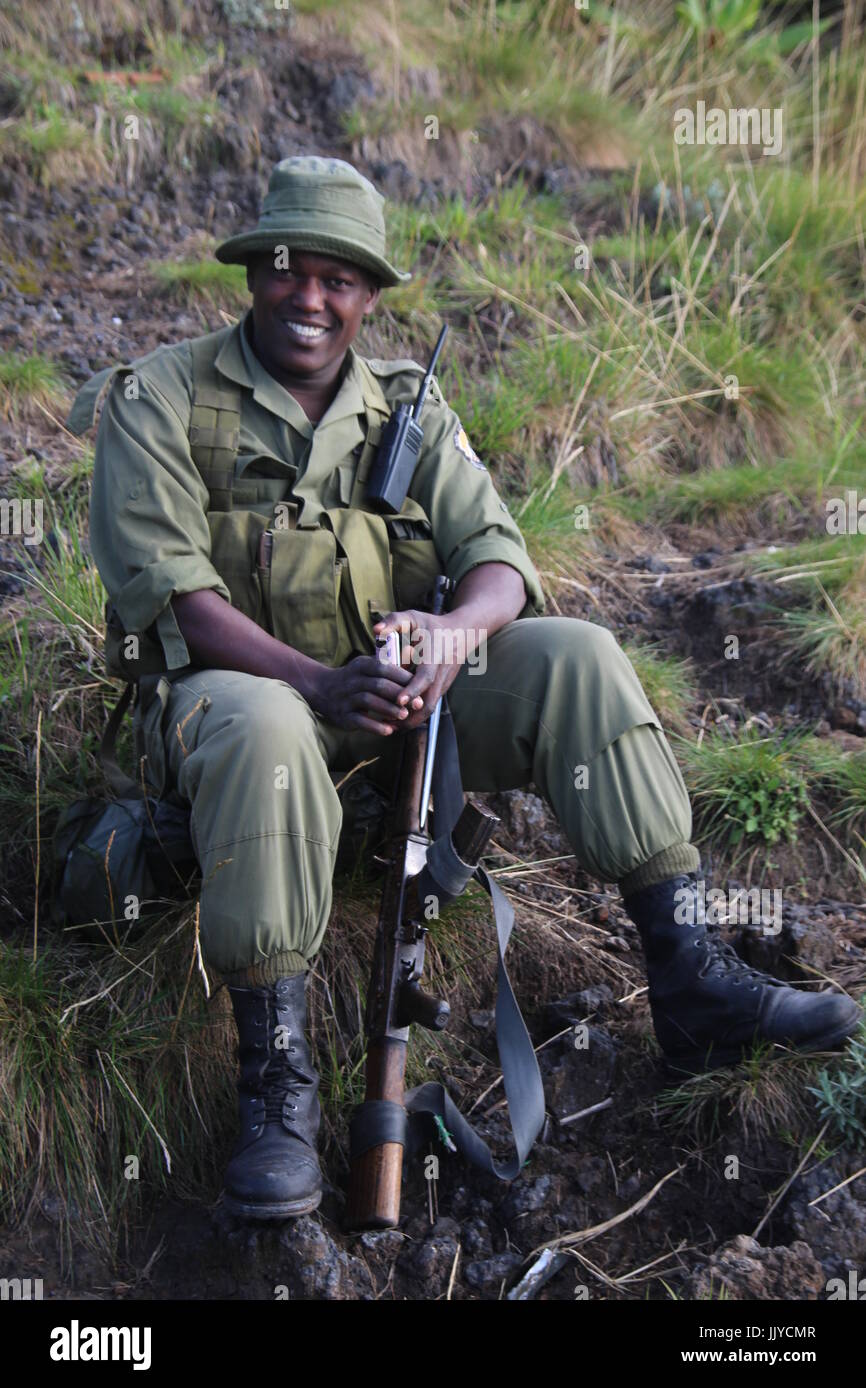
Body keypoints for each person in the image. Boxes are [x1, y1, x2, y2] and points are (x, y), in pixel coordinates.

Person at [69, 155, 862, 1222]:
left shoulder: (409, 408)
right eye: (290, 270)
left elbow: (495, 553)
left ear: (370, 294)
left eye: (339, 278)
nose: (311, 297)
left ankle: (689, 979)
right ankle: (276, 1088)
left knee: (575, 651)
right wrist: (315, 682)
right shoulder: (159, 396)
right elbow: (169, 592)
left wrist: (451, 632)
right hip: (233, 707)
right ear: (256, 270)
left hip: (396, 710)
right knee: (265, 723)